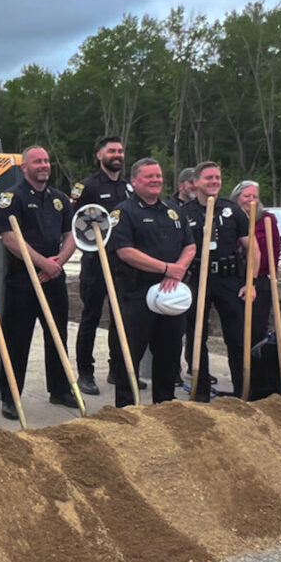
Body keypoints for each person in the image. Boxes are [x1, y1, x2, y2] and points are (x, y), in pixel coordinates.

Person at [0, 145, 79, 420]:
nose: (43, 165)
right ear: (24, 167)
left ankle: (59, 389)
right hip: (23, 279)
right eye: (37, 161)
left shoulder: (59, 199)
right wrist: (43, 263)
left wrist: (57, 264)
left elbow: (71, 235)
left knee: (58, 337)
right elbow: (10, 238)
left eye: (46, 160)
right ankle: (11, 396)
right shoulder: (13, 198)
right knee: (17, 340)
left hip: (54, 277)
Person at [107, 158, 195, 407]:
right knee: (129, 354)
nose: (156, 180)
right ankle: (126, 408)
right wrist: (166, 268)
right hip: (136, 292)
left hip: (170, 292)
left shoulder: (173, 210)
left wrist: (176, 270)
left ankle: (165, 406)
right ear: (134, 181)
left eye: (158, 176)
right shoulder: (123, 212)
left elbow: (190, 245)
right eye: (149, 177)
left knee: (169, 354)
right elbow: (125, 251)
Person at [182, 162, 258, 397]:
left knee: (236, 336)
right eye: (208, 178)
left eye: (217, 177)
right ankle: (201, 388)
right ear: (196, 182)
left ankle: (242, 389)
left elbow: (252, 249)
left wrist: (250, 282)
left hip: (229, 279)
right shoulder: (185, 212)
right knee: (197, 336)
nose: (214, 182)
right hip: (197, 279)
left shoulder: (232, 210)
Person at [70, 136, 133, 395]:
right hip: (96, 262)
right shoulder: (86, 187)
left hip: (123, 264)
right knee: (91, 317)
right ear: (99, 155)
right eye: (111, 151)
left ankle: (117, 369)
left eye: (120, 150)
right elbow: (73, 222)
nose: (117, 154)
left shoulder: (130, 188)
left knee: (121, 319)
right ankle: (85, 373)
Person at [231, 181, 280, 343]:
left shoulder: (267, 219)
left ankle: (257, 364)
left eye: (255, 196)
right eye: (247, 196)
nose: (251, 200)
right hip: (235, 277)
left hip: (260, 279)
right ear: (237, 197)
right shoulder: (229, 218)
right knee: (237, 327)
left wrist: (271, 277)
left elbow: (275, 249)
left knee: (258, 327)